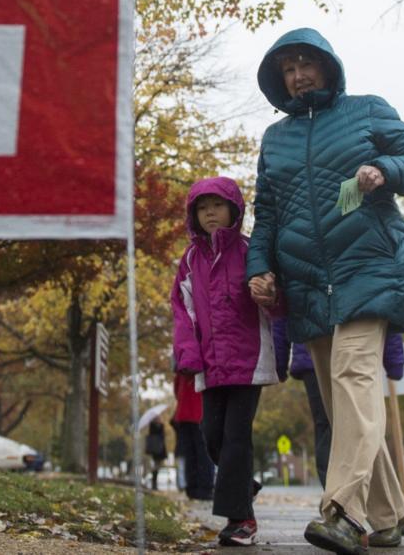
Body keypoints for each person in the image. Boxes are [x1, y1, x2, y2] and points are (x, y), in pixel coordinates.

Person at [246, 28, 404, 554]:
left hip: (369, 268)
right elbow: (267, 216)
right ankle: (390, 515)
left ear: (328, 66)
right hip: (307, 281)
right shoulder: (275, 138)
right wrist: (258, 269)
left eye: (307, 63)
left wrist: (386, 168)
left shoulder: (368, 111)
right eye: (288, 68)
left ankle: (343, 513)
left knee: (354, 378)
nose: (298, 74)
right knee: (341, 402)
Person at [171, 175, 284, 547]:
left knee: (236, 438)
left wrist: (270, 296)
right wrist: (187, 354)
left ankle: (241, 521)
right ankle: (243, 485)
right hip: (210, 364)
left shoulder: (252, 251)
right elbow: (182, 310)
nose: (210, 214)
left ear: (234, 209)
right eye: (202, 209)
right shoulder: (189, 260)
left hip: (249, 361)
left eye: (217, 206)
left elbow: (278, 301)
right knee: (211, 436)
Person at [274, 319, 404, 487]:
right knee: (341, 425)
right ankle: (337, 494)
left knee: (345, 426)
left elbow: (383, 303)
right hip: (325, 355)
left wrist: (394, 359)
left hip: (348, 353)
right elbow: (282, 308)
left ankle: (347, 493)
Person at [170, 372, 215, 501]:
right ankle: (205, 488)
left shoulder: (181, 371)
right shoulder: (204, 368)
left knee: (189, 453)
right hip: (200, 413)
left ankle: (192, 488)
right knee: (204, 453)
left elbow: (176, 391)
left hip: (183, 415)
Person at [144, 417, 168, 490]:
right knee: (156, 466)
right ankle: (154, 481)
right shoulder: (152, 426)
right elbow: (154, 436)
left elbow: (163, 436)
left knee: (158, 466)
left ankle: (154, 479)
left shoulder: (161, 426)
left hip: (160, 449)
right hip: (155, 449)